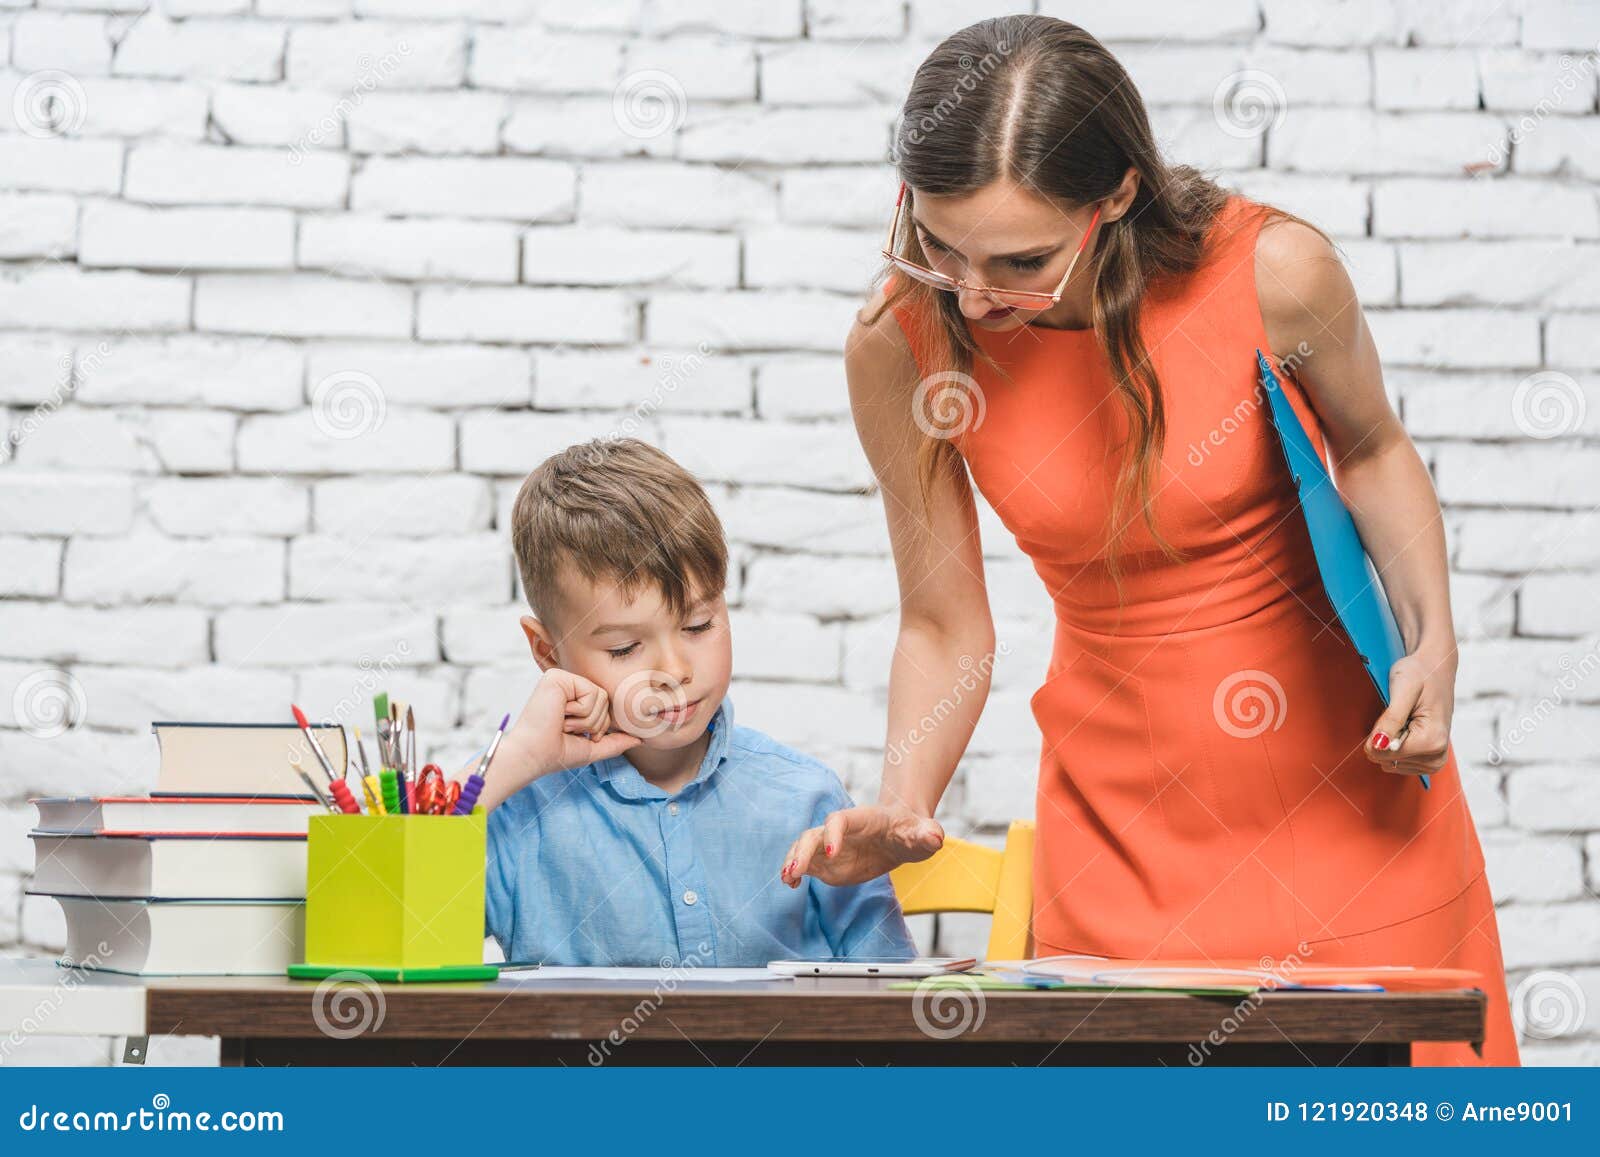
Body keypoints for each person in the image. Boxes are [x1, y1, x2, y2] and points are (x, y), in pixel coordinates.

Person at [779, 14, 1519, 1065]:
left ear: (1117, 193)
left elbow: (1369, 451)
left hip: (1356, 811)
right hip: (1119, 837)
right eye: (938, 244)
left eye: (1021, 259)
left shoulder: (1274, 272)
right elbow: (942, 619)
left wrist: (1432, 644)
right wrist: (904, 798)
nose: (977, 295)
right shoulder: (904, 342)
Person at [481, 437, 916, 967]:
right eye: (624, 647)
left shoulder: (805, 799)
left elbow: (895, 1002)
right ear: (547, 652)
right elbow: (376, 925)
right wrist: (513, 760)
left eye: (698, 624)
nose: (675, 671)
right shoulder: (516, 815)